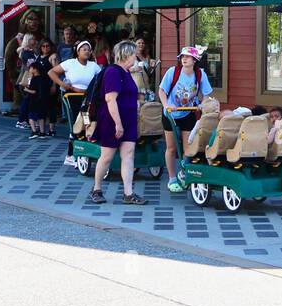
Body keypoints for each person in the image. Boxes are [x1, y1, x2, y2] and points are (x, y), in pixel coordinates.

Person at [86, 39, 146, 205]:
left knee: (128, 155)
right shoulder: (113, 72)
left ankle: (128, 193)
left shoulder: (126, 72)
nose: (136, 57)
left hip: (128, 119)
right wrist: (118, 124)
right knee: (107, 156)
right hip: (112, 120)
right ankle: (96, 189)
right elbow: (110, 99)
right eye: (134, 54)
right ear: (127, 54)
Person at [157, 46, 213, 193]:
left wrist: (202, 104)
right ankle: (172, 178)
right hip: (170, 114)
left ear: (195, 60)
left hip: (188, 112)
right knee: (171, 147)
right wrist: (167, 105)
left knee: (189, 148)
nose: (184, 59)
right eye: (182, 56)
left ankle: (184, 173)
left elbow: (207, 94)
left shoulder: (200, 74)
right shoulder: (173, 72)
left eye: (188, 57)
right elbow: (162, 91)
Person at [25, 39, 57, 139]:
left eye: (47, 46)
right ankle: (41, 129)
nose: (45, 48)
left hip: (50, 84)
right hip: (40, 86)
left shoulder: (53, 56)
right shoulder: (39, 56)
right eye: (43, 46)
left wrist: (54, 85)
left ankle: (51, 129)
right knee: (42, 108)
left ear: (51, 47)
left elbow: (57, 71)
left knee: (51, 107)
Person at [131, 35, 158, 101]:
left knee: (144, 105)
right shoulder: (131, 55)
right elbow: (126, 69)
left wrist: (152, 67)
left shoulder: (146, 56)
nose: (141, 44)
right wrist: (135, 69)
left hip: (145, 84)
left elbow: (148, 73)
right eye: (139, 43)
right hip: (135, 83)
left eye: (143, 43)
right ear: (134, 44)